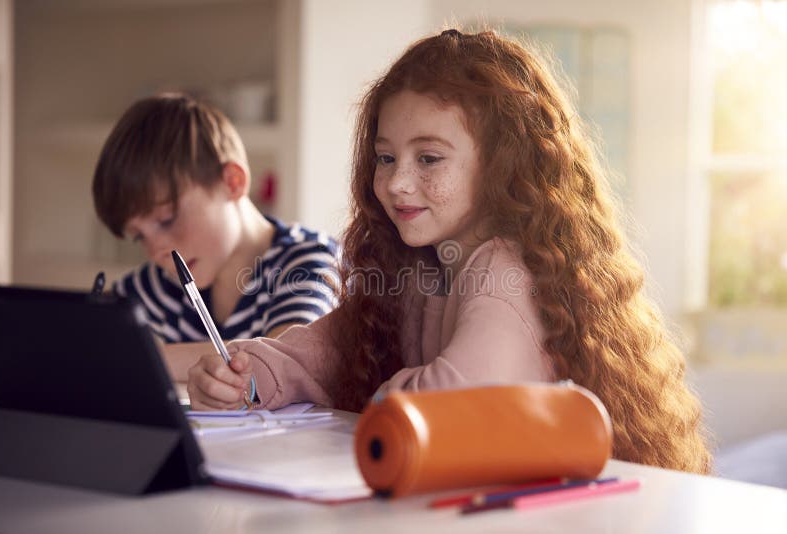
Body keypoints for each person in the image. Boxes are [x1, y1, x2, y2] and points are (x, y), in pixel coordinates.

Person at [187, 29, 712, 474]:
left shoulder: (507, 268)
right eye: (386, 158)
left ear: (504, 164)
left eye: (429, 159)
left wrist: (374, 386)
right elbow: (331, 350)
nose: (396, 183)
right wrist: (247, 373)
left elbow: (444, 407)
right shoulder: (423, 263)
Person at [92, 93, 339, 382]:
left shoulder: (310, 259)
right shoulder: (164, 283)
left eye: (167, 219)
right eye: (139, 237)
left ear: (232, 182)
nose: (155, 250)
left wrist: (143, 357)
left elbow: (285, 357)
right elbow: (94, 340)